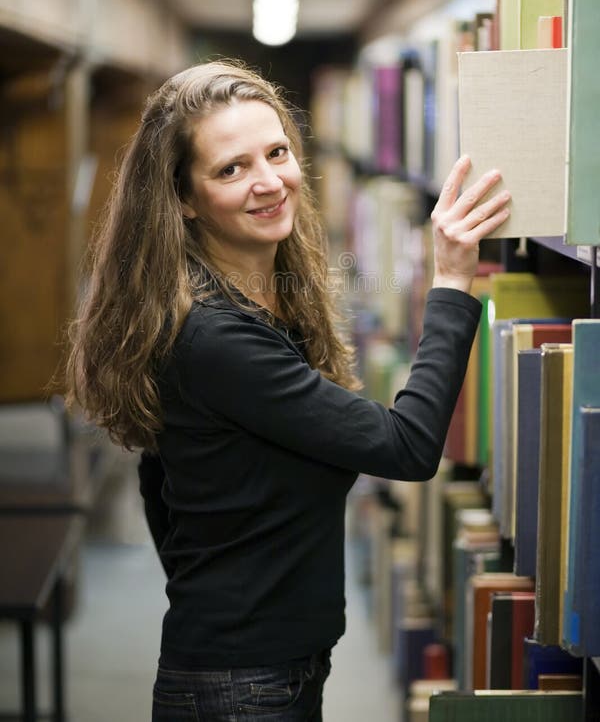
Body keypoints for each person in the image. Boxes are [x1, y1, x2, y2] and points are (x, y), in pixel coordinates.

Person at [66, 60, 511, 721]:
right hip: (241, 686)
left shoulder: (252, 304)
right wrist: (449, 284)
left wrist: (220, 584)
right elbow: (409, 447)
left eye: (276, 152)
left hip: (262, 668)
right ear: (183, 198)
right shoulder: (216, 339)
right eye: (231, 169)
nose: (269, 182)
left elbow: (158, 481)